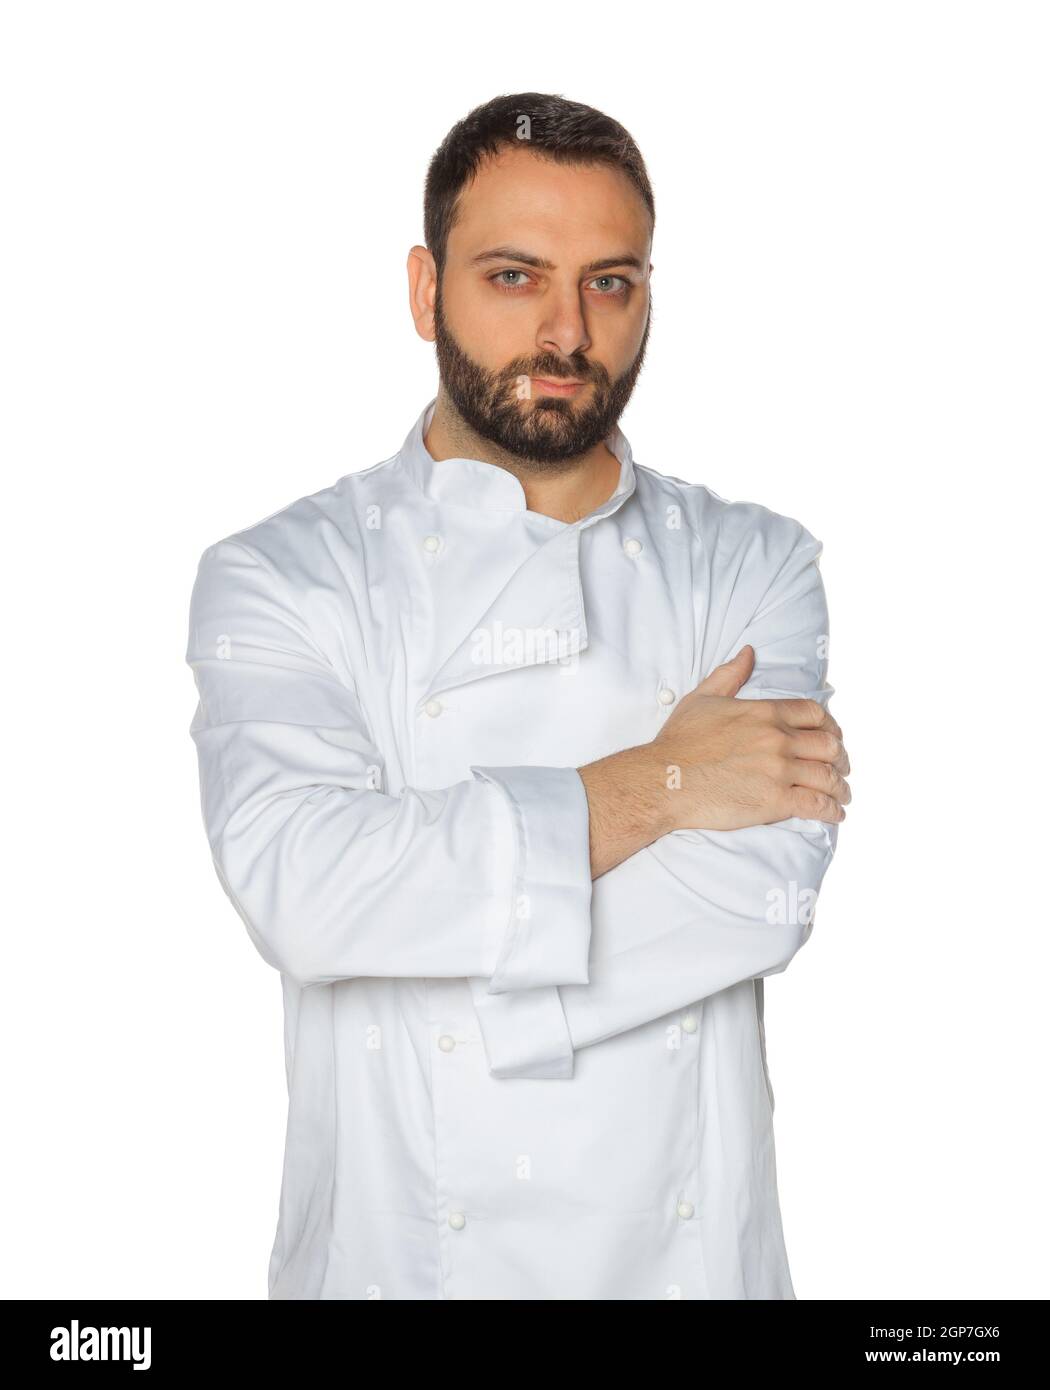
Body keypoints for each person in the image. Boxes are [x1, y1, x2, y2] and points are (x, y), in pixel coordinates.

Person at [185, 91, 851, 1301]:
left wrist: (446, 953)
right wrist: (664, 782)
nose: (565, 332)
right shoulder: (283, 574)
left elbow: (759, 889)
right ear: (424, 290)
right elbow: (305, 887)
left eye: (610, 282)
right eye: (512, 276)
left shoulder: (755, 563)